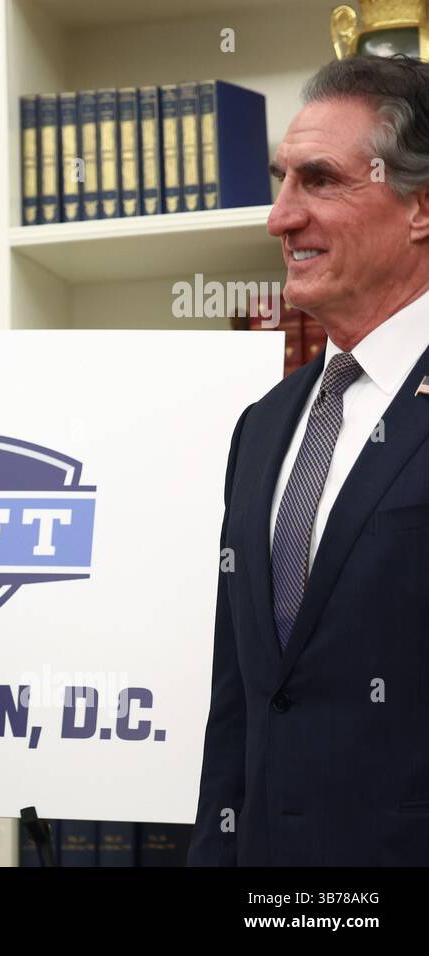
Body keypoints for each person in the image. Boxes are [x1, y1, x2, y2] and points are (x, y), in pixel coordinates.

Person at [191, 54, 429, 866]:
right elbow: (242, 710)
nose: (279, 217)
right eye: (280, 179)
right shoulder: (264, 427)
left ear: (421, 206)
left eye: (319, 181)